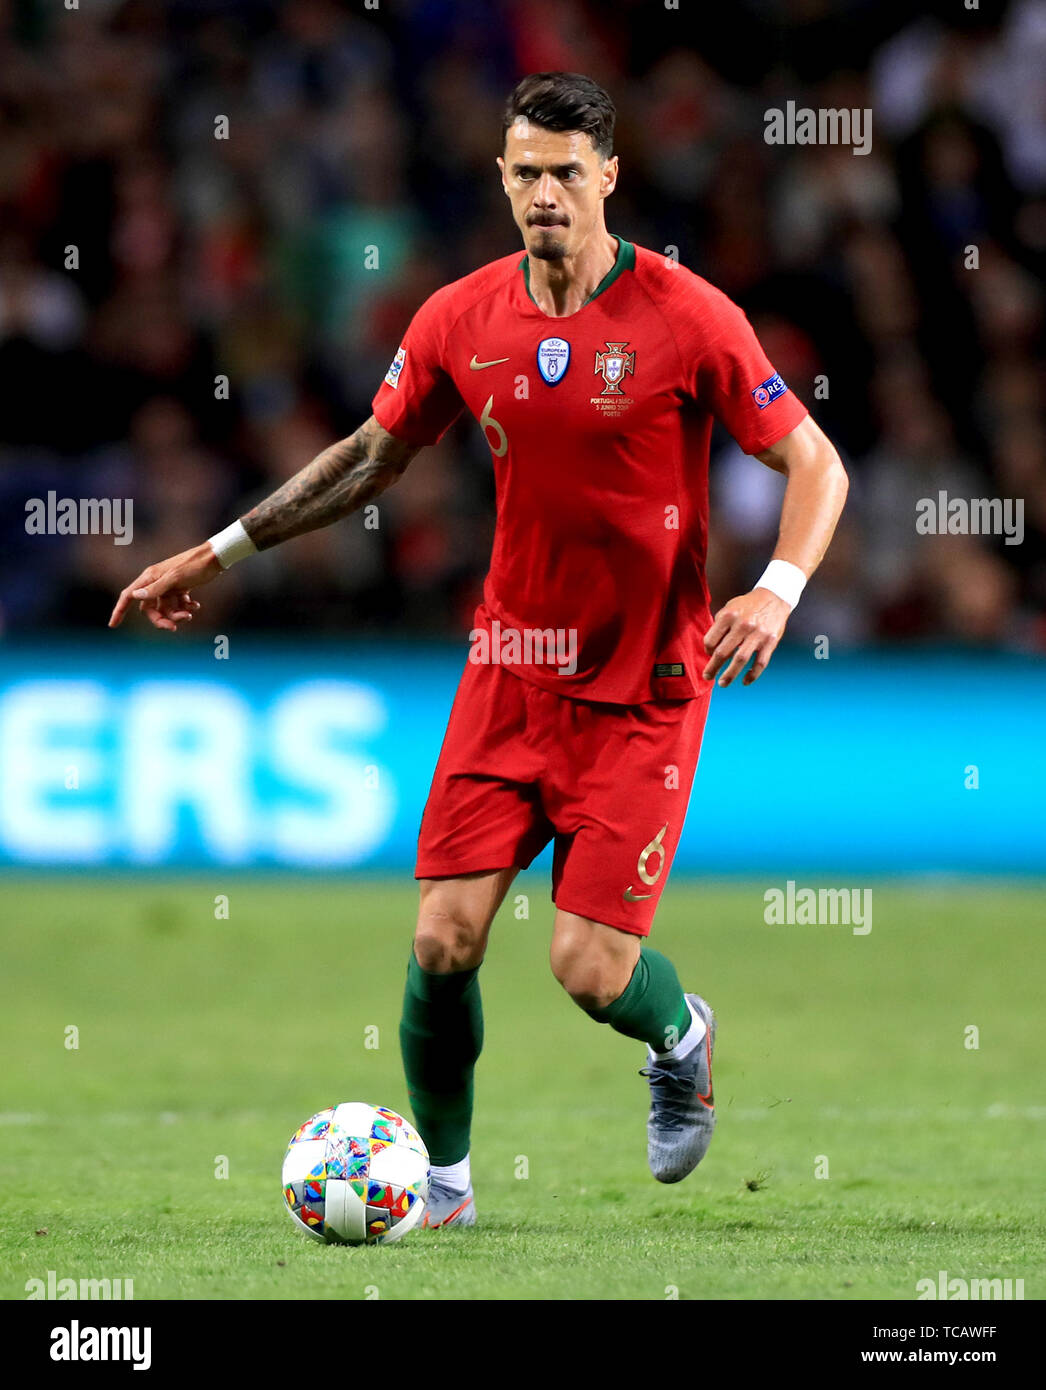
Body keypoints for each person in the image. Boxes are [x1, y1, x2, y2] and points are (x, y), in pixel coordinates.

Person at [110, 71, 849, 1229]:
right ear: (500, 179)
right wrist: (218, 551)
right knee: (442, 937)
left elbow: (814, 462)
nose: (545, 193)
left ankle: (679, 1035)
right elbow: (370, 457)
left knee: (586, 970)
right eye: (526, 172)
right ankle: (443, 1189)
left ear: (609, 176)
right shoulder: (459, 317)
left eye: (567, 173)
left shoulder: (687, 315)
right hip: (506, 673)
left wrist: (775, 589)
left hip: (644, 689)